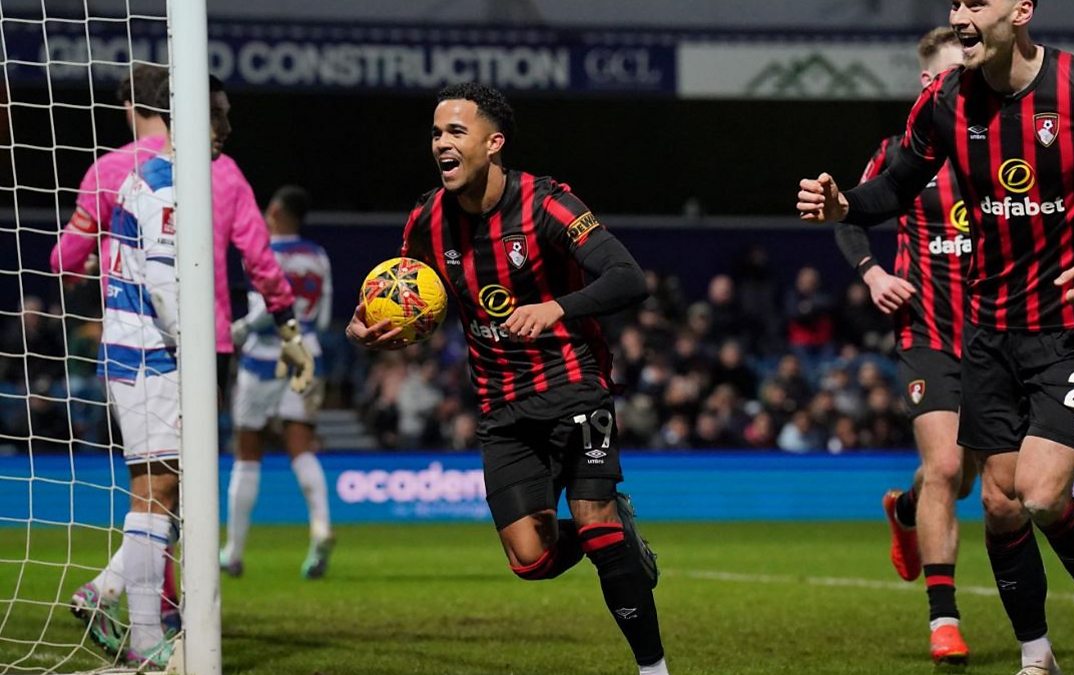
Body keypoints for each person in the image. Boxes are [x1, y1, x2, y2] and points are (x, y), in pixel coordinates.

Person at [795, 1, 1074, 673]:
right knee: (1001, 502)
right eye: (955, 3)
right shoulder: (946, 101)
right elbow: (896, 185)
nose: (961, 14)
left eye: (976, 2)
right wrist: (845, 206)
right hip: (990, 326)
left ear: (1022, 10)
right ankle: (1036, 655)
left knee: (1040, 493)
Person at [346, 83, 668, 675]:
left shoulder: (549, 204)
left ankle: (653, 668)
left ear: (493, 143)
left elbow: (628, 278)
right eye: (436, 133)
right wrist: (364, 326)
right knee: (531, 560)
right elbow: (402, 292)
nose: (441, 143)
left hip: (574, 381)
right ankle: (616, 532)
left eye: (455, 131)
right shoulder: (426, 218)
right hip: (502, 406)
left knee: (594, 525)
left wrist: (557, 307)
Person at [62, 73, 314, 661]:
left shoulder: (166, 177)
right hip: (160, 355)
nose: (226, 127)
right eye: (216, 114)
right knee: (159, 491)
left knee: (165, 490)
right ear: (184, 115)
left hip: (152, 352)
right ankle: (143, 634)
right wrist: (205, 348)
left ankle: (133, 617)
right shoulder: (167, 184)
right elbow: (164, 284)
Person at [833, 26, 975, 665]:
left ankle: (907, 509)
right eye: (955, 73)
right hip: (929, 333)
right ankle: (944, 620)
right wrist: (873, 273)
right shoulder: (900, 154)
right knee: (945, 467)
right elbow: (850, 216)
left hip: (998, 335)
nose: (968, 81)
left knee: (962, 481)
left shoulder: (998, 147)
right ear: (928, 83)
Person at [221, 185, 336, 579]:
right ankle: (321, 526)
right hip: (307, 354)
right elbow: (322, 318)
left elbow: (266, 310)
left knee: (247, 450)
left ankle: (234, 551)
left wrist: (237, 331)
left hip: (264, 358)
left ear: (273, 211)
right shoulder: (318, 256)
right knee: (301, 447)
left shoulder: (263, 251)